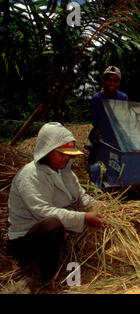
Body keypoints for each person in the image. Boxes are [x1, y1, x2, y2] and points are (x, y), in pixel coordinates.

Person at [7, 122, 105, 286]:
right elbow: (43, 212)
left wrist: (101, 208)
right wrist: (84, 217)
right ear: (47, 150)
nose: (66, 158)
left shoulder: (66, 172)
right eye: (62, 154)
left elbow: (82, 197)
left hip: (59, 236)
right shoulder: (30, 176)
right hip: (27, 240)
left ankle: (63, 261)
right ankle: (43, 279)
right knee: (53, 225)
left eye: (68, 154)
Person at [89, 66, 128, 144]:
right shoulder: (96, 98)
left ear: (119, 83)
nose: (112, 83)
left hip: (119, 132)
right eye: (109, 80)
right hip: (102, 132)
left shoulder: (123, 98)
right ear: (103, 81)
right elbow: (95, 122)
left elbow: (125, 120)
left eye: (115, 81)